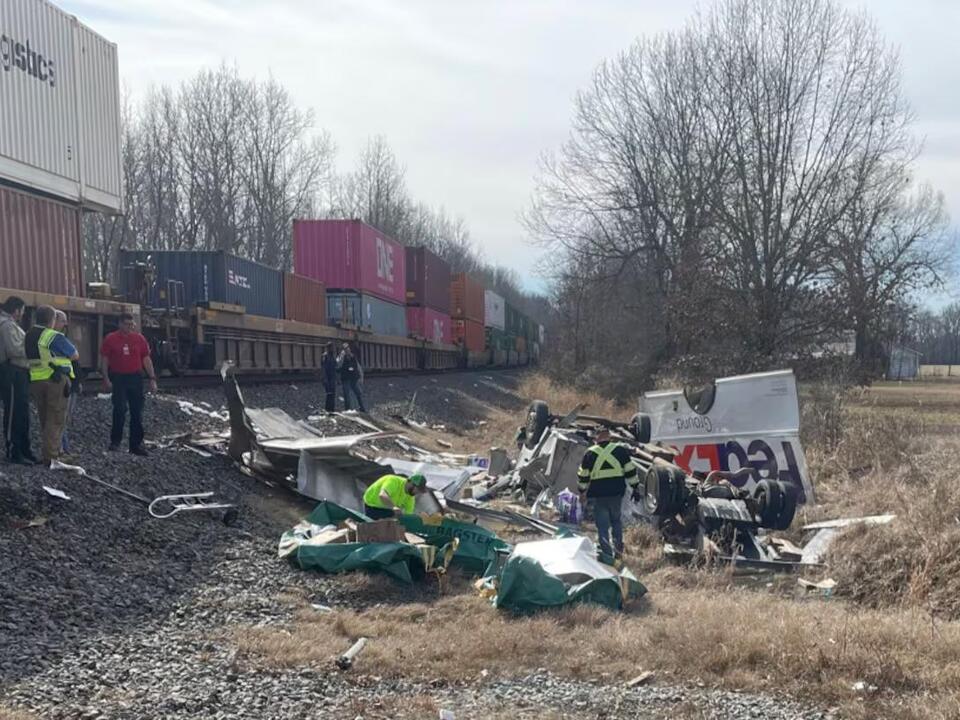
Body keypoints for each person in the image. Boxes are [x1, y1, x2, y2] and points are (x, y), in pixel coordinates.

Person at [25, 305, 79, 464]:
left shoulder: (29, 334)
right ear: (52, 319)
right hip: (54, 380)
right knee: (55, 418)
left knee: (45, 417)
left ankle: (55, 451)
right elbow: (74, 355)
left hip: (35, 380)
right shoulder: (52, 335)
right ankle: (52, 456)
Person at [576, 427, 640, 559]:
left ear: (597, 438)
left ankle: (606, 555)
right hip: (616, 493)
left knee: (602, 525)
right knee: (616, 521)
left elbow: (583, 475)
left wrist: (582, 492)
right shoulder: (620, 451)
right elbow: (630, 471)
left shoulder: (590, 453)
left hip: (598, 495)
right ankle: (618, 551)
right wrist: (635, 488)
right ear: (609, 437)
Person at [100, 313, 157, 456]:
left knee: (137, 412)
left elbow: (146, 358)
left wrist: (152, 378)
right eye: (126, 324)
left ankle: (135, 445)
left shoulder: (139, 339)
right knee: (119, 409)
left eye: (131, 325)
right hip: (118, 378)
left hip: (135, 377)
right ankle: (115, 442)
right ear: (119, 324)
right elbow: (105, 359)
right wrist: (106, 378)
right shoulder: (111, 338)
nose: (129, 327)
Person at [0, 297, 37, 464]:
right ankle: (14, 449)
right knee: (14, 410)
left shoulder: (10, 325)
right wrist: (32, 349)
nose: (22, 314)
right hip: (12, 371)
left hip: (20, 371)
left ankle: (24, 448)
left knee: (22, 411)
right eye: (22, 310)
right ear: (16, 310)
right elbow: (14, 349)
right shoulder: (6, 325)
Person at [362, 472, 427, 519]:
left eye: (420, 491)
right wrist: (394, 507)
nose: (418, 492)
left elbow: (408, 515)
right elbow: (382, 495)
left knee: (396, 519)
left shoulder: (410, 497)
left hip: (387, 509)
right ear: (410, 483)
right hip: (372, 505)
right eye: (418, 489)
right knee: (376, 525)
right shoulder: (393, 481)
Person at [338, 342, 366, 412]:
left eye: (347, 348)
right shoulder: (341, 357)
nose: (347, 350)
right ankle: (348, 409)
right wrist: (342, 357)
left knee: (358, 393)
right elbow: (339, 365)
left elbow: (358, 367)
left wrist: (361, 377)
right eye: (345, 349)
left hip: (353, 379)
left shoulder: (353, 357)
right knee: (347, 395)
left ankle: (361, 408)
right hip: (346, 379)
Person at [321, 342, 337, 412]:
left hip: (332, 378)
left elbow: (335, 366)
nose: (332, 349)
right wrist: (325, 379)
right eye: (331, 347)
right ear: (328, 348)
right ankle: (328, 409)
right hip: (328, 378)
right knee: (329, 394)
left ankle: (331, 409)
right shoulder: (325, 356)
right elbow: (323, 368)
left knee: (332, 395)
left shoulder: (332, 356)